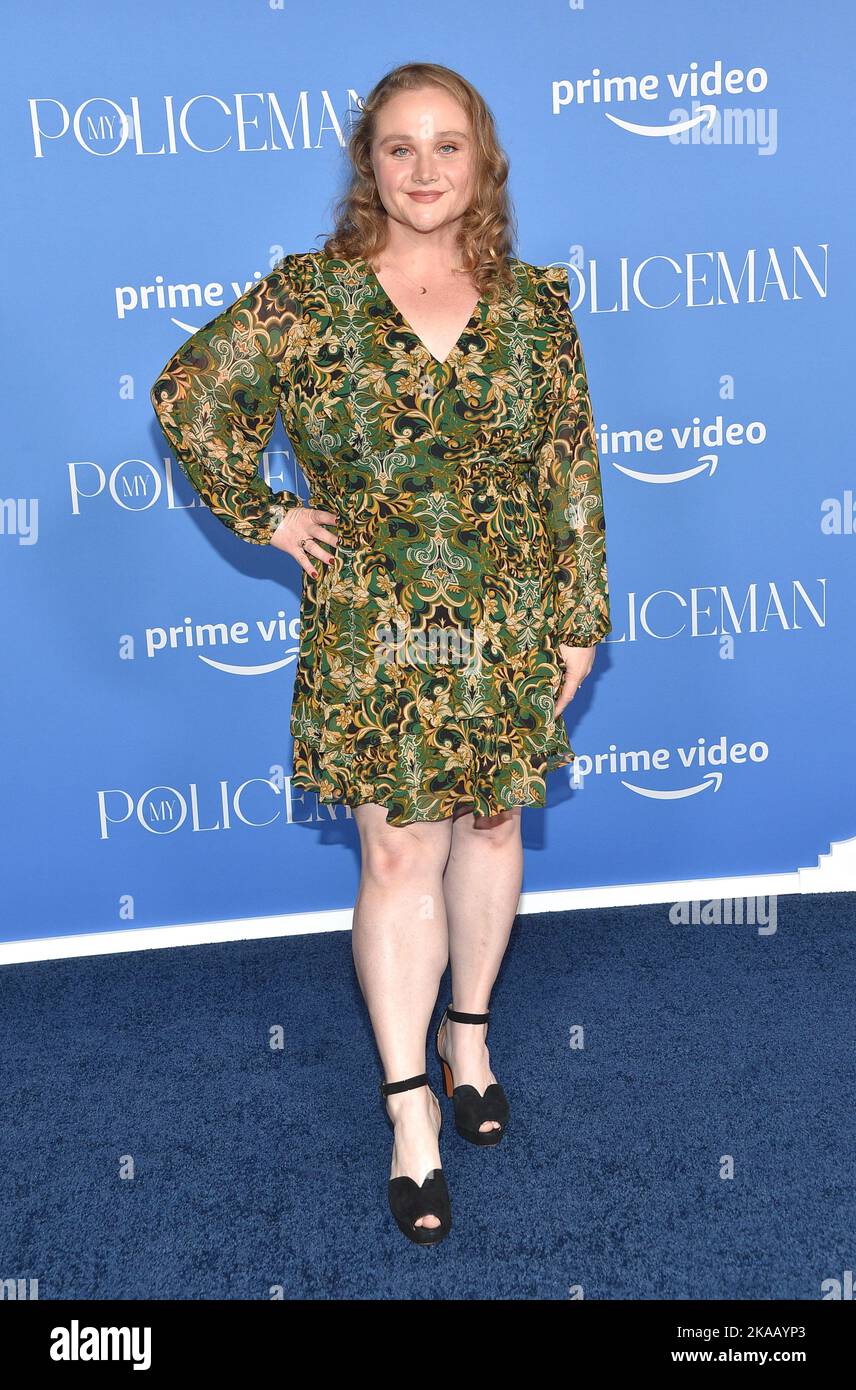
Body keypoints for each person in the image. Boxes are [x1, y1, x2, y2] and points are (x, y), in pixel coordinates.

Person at [150, 61, 611, 1247]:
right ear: (368, 164)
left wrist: (578, 614)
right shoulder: (309, 297)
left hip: (508, 608)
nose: (423, 170)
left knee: (496, 825)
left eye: (446, 146)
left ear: (483, 162)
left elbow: (569, 467)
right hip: (376, 620)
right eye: (398, 148)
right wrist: (263, 512)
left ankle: (472, 1035)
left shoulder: (533, 303)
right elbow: (187, 394)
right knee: (399, 852)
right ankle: (410, 1110)